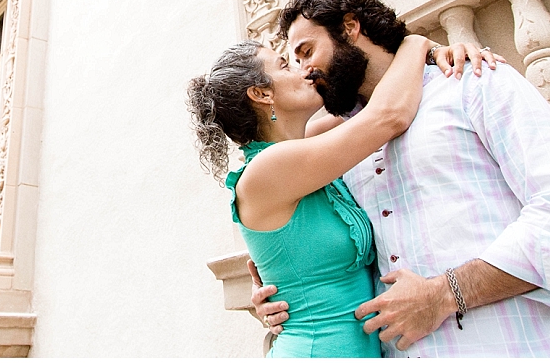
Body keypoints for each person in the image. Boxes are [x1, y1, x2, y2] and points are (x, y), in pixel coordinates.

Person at [251, 0, 550, 357]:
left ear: (350, 27)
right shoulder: (340, 148)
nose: (305, 71)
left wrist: (445, 293)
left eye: (307, 52)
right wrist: (283, 292)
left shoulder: (475, 80)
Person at [187, 32, 498, 357]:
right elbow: (388, 116)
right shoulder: (269, 168)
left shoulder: (304, 146)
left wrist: (446, 52)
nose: (303, 71)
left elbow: (380, 99)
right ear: (262, 93)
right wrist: (415, 43)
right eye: (284, 65)